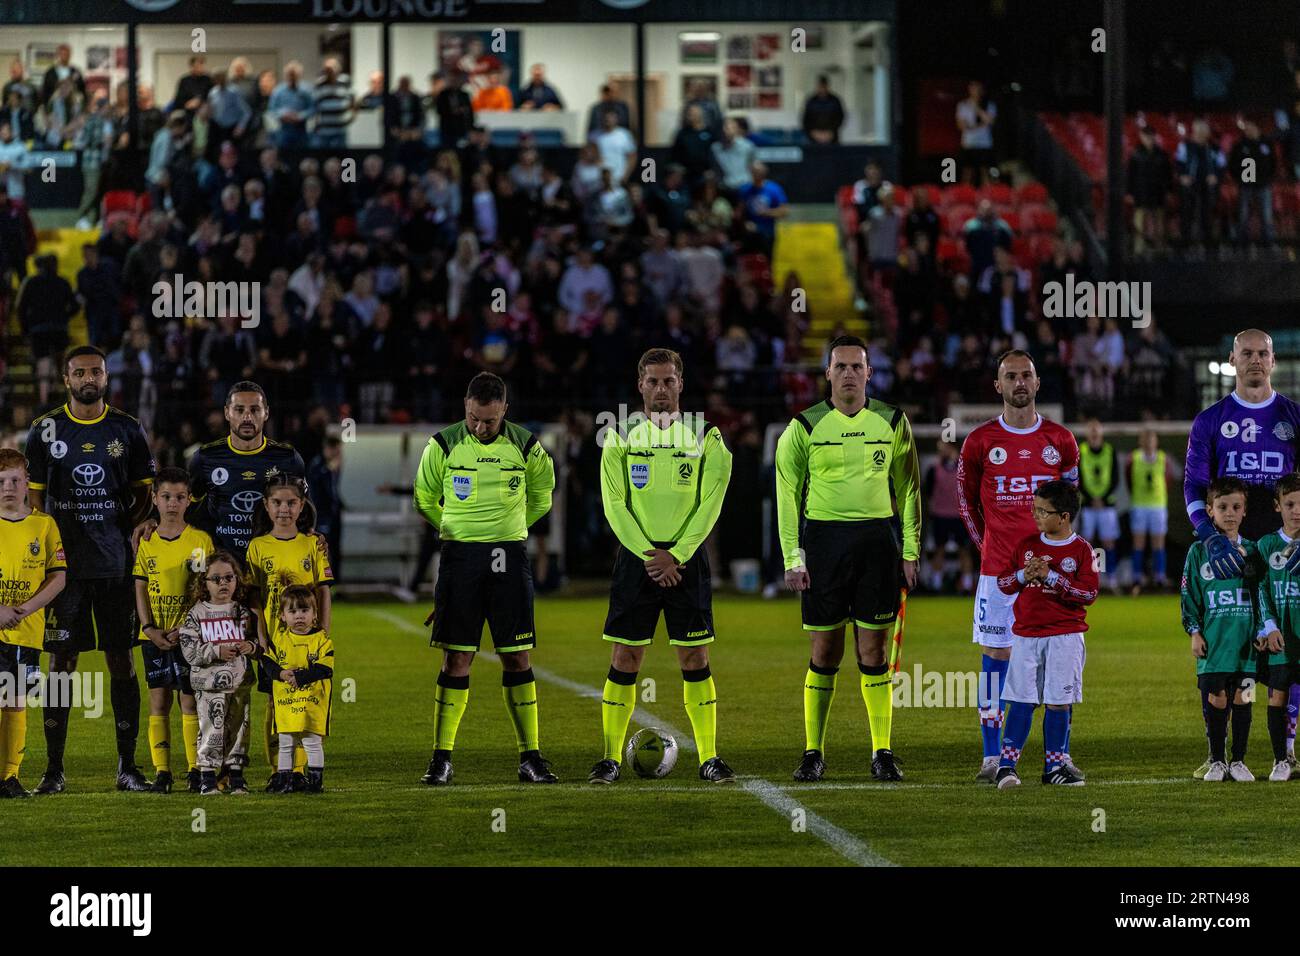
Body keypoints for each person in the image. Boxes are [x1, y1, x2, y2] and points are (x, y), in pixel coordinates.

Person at [775, 334, 922, 782]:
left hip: (878, 541)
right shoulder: (804, 426)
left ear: (870, 373)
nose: (849, 374)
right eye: (840, 366)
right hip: (822, 542)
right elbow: (785, 492)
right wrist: (791, 556)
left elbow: (909, 488)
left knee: (874, 649)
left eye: (857, 366)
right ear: (827, 374)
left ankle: (882, 751)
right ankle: (812, 752)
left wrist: (911, 549)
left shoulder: (893, 421)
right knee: (825, 648)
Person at [587, 349, 736, 785]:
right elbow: (614, 506)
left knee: (695, 656)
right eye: (652, 382)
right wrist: (653, 558)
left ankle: (709, 758)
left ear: (681, 384)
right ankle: (610, 759)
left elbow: (711, 503)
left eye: (668, 381)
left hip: (686, 561)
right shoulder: (618, 436)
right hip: (639, 561)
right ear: (640, 385)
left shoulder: (706, 436)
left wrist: (680, 554)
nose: (660, 390)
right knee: (625, 656)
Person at [413, 372, 557, 786]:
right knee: (457, 656)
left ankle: (530, 757)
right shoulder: (442, 445)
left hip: (509, 555)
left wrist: (512, 527)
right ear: (466, 406)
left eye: (489, 421)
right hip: (460, 558)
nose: (480, 427)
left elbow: (544, 494)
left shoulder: (527, 446)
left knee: (517, 655)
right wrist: (456, 531)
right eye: (475, 418)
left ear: (505, 411)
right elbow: (424, 497)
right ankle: (441, 759)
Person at [25, 346, 157, 795]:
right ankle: (53, 770)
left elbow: (145, 492)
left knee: (122, 658)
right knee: (61, 661)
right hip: (66, 572)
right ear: (66, 378)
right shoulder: (45, 430)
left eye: (95, 372)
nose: (88, 378)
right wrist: (51, 544)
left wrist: (130, 526)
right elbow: (36, 499)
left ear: (106, 377)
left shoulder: (127, 428)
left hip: (116, 566)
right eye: (79, 371)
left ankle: (128, 767)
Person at [956, 350, 1081, 783]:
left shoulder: (1061, 441)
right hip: (998, 576)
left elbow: (1069, 508)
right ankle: (993, 756)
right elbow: (967, 504)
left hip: (1048, 575)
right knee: (997, 659)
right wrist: (989, 551)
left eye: (1026, 374)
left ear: (1038, 381)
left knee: (1053, 661)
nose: (1019, 382)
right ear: (998, 386)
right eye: (1010, 376)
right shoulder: (979, 442)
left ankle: (1057, 757)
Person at [1183, 329, 1300, 777]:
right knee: (1225, 649)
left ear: (1273, 361)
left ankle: (1284, 749)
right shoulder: (1210, 420)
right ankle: (1219, 754)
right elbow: (1194, 484)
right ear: (1231, 359)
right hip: (1227, 551)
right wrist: (1207, 535)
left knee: (1287, 653)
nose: (1255, 360)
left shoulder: (1292, 415)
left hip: (1283, 551)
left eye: (1262, 353)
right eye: (1246, 353)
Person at [993, 479, 1098, 788]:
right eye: (1035, 509)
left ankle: (1053, 767)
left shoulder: (1082, 550)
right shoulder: (1026, 546)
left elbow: (1088, 594)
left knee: (1058, 701)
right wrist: (1024, 575)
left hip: (1065, 636)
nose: (1036, 515)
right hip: (1025, 635)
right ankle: (1006, 766)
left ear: (1064, 517)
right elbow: (1003, 584)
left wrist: (1050, 576)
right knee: (1021, 700)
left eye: (1043, 511)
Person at [245, 474, 333, 792]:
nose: (284, 509)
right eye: (277, 503)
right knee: (276, 704)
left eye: (291, 503)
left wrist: (323, 630)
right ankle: (278, 770)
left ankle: (298, 771)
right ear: (266, 507)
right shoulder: (257, 547)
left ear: (301, 506)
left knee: (304, 702)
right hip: (275, 641)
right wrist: (262, 634)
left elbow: (323, 590)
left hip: (307, 641)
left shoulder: (313, 544)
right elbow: (254, 597)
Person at [132, 467, 213, 794]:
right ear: (154, 499)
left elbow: (205, 590)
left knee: (189, 702)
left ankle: (195, 769)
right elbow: (139, 585)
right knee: (158, 702)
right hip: (154, 635)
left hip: (189, 636)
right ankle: (162, 772)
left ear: (189, 499)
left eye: (180, 497)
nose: (172, 503)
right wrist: (148, 627)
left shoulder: (199, 541)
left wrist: (188, 627)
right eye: (166, 497)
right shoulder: (147, 541)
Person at [1181, 477, 1258, 783]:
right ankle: (1216, 760)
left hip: (1247, 644)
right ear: (1209, 511)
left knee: (1245, 697)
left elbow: (1262, 595)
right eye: (1222, 507)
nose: (1229, 513)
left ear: (1244, 512)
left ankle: (1238, 760)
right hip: (1213, 642)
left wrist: (1263, 631)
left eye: (1235, 507)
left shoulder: (1254, 550)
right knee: (1217, 697)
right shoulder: (1199, 552)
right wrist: (1195, 632)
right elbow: (1189, 597)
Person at [0, 448, 66, 798]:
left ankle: (9, 777)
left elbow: (58, 577)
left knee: (15, 700)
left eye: (14, 480)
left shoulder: (44, 524)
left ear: (27, 482)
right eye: (1, 482)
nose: (8, 487)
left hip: (26, 631)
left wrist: (24, 609)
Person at [177, 550, 258, 795]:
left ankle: (236, 777)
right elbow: (189, 651)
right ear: (204, 583)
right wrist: (216, 651)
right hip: (209, 685)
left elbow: (255, 641)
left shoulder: (242, 613)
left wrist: (250, 646)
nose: (223, 583)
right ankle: (207, 778)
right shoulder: (197, 614)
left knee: (239, 730)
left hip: (239, 684)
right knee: (211, 729)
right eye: (216, 579)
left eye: (229, 578)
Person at [1253, 473, 1300, 780]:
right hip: (1280, 637)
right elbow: (1260, 591)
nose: (1297, 511)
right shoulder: (1266, 545)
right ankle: (1280, 760)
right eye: (1290, 504)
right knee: (1277, 696)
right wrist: (1267, 627)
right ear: (1277, 506)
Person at [266, 584, 333, 794]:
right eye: (293, 611)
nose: (299, 616)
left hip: (312, 703)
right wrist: (281, 674)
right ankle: (284, 781)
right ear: (283, 616)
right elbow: (267, 662)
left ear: (314, 614)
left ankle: (315, 783)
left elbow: (325, 669)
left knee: (311, 742)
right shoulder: (279, 640)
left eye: (305, 610)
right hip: (286, 704)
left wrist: (299, 677)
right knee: (286, 742)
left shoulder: (322, 639)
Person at [1128, 427, 1173, 593]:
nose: (1148, 442)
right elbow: (1128, 478)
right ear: (1141, 441)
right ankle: (1137, 577)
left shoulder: (1163, 458)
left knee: (1158, 542)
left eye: (1151, 439)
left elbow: (1168, 479)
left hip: (1158, 505)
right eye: (1145, 439)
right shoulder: (1134, 458)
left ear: (1156, 442)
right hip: (1140, 505)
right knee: (1138, 542)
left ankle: (1159, 576)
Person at [1078, 418, 1120, 592]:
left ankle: (1111, 578)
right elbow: (1077, 476)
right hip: (1088, 505)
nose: (1094, 434)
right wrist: (1091, 498)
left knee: (1108, 543)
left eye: (1097, 430)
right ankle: (1091, 578)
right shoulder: (1081, 450)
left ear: (1101, 432)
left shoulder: (1110, 451)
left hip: (1106, 506)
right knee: (1088, 542)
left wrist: (1102, 498)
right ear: (1088, 433)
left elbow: (1115, 478)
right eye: (1091, 430)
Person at [737, 160, 788, 259]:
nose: (756, 175)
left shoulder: (774, 189)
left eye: (759, 172)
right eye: (754, 172)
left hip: (768, 233)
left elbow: (784, 211)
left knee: (766, 262)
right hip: (750, 234)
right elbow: (740, 212)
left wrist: (766, 212)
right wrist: (745, 223)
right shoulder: (745, 190)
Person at [956, 79, 997, 184]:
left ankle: (987, 197)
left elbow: (989, 121)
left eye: (978, 89)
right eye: (973, 88)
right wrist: (979, 126)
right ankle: (965, 197)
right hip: (968, 143)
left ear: (982, 90)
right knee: (967, 172)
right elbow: (961, 125)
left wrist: (976, 107)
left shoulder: (990, 105)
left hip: (984, 143)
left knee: (985, 171)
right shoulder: (963, 105)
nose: (975, 91)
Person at [269, 61, 313, 152]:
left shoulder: (307, 90)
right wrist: (282, 115)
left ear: (299, 75)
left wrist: (300, 116)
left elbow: (313, 108)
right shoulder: (278, 91)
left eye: (294, 75)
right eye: (290, 74)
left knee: (302, 155)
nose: (292, 77)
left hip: (301, 130)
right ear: (285, 75)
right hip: (283, 129)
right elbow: (272, 109)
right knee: (283, 155)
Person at [312, 57, 353, 150]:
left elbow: (352, 99)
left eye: (332, 68)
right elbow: (315, 104)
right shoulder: (319, 83)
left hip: (340, 129)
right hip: (324, 130)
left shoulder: (345, 81)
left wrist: (352, 117)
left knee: (341, 158)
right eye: (327, 69)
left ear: (338, 69)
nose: (330, 71)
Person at [593, 108, 637, 183]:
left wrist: (625, 176)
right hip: (599, 180)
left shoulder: (624, 135)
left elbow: (632, 157)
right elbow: (589, 157)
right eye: (605, 117)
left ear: (616, 119)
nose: (608, 120)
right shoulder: (594, 136)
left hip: (619, 178)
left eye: (611, 117)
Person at [801, 74, 845, 144]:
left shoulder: (835, 100)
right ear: (817, 86)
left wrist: (830, 132)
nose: (822, 89)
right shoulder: (811, 101)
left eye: (824, 86)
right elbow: (805, 119)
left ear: (827, 86)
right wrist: (814, 133)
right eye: (820, 86)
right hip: (814, 138)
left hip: (832, 137)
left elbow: (840, 118)